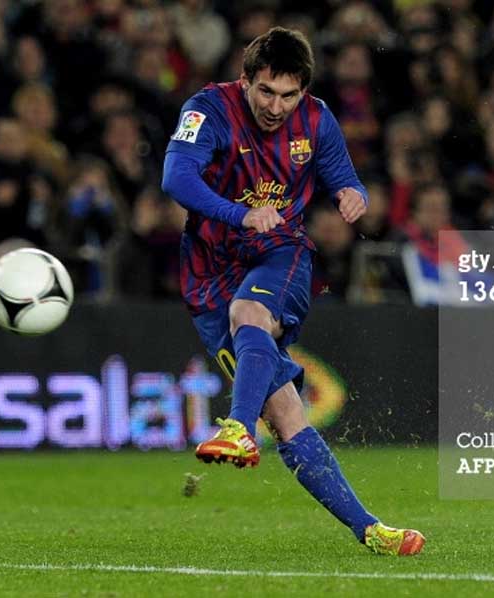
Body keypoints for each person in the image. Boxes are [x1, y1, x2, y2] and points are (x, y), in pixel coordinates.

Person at [161, 27, 424, 556]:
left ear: (303, 90)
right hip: (209, 274)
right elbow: (176, 178)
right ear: (245, 80)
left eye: (289, 95)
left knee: (249, 312)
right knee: (285, 414)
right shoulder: (208, 111)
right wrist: (240, 213)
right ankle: (370, 530)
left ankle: (238, 426)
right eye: (266, 92)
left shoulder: (317, 118)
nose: (276, 107)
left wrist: (352, 193)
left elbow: (343, 175)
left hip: (280, 253)